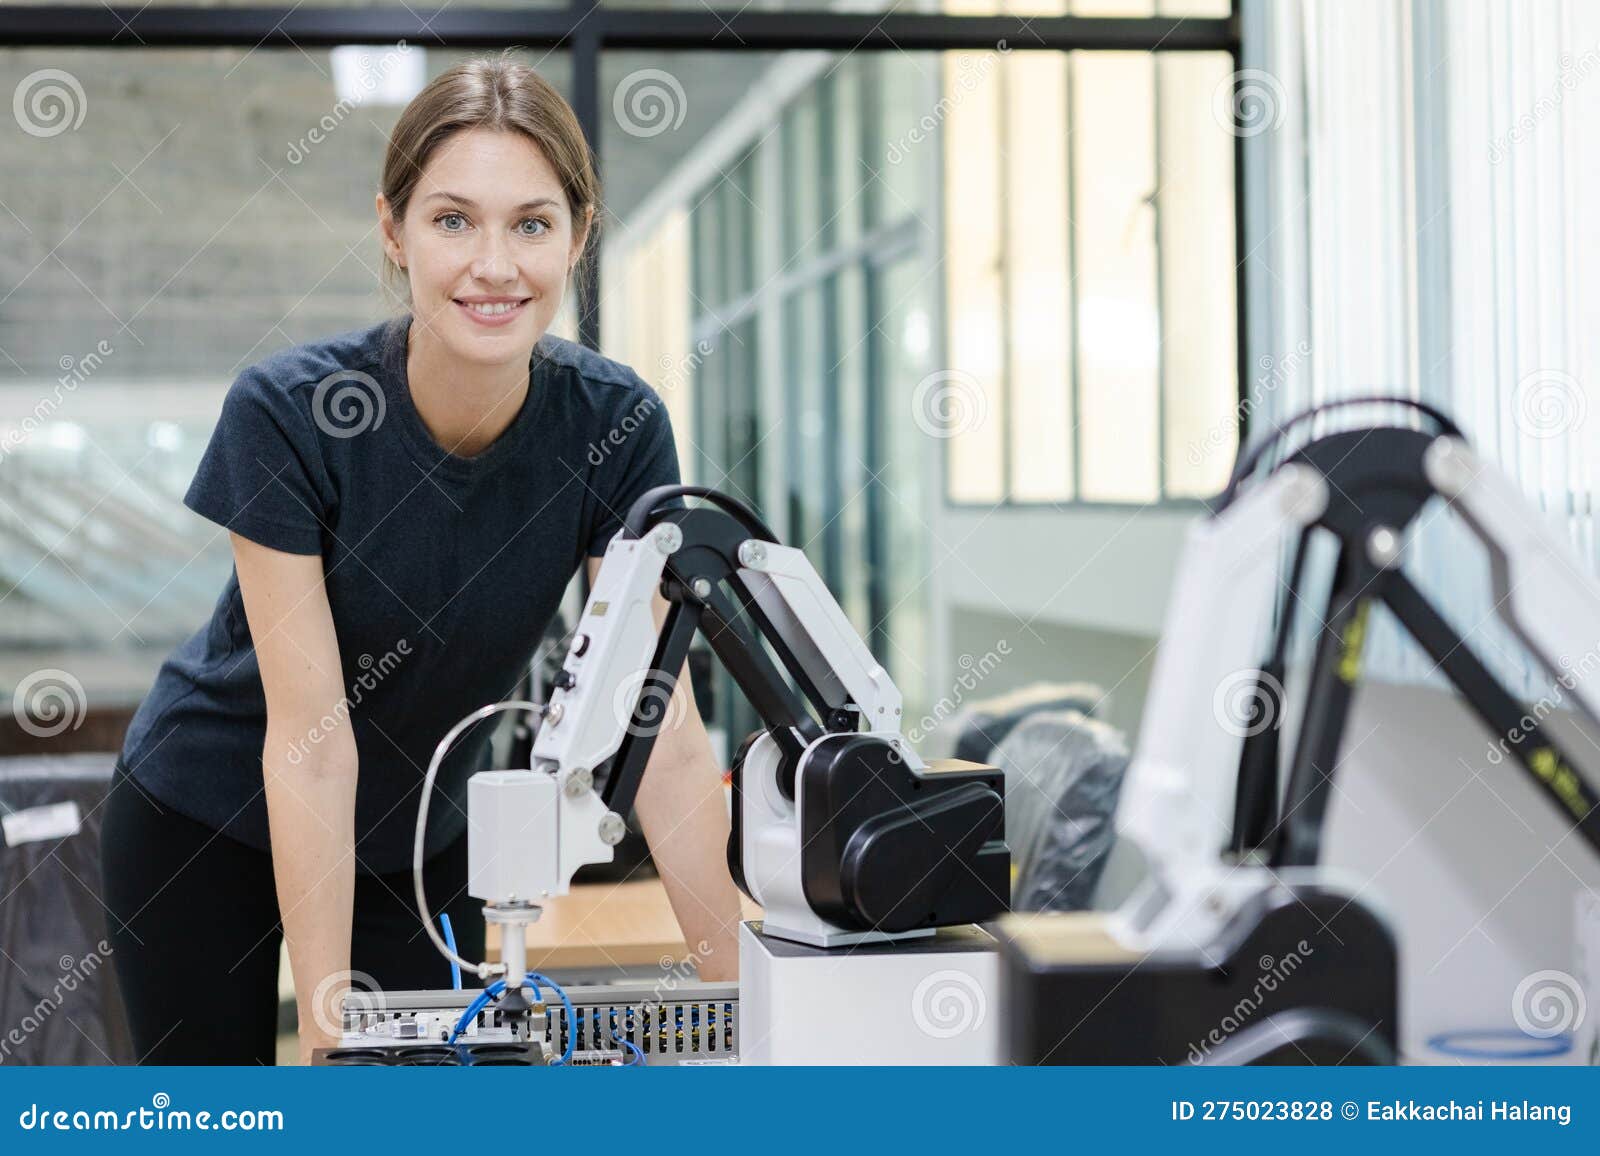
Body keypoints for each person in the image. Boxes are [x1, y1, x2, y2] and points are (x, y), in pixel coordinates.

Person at [99, 54, 741, 1066]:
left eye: (531, 223)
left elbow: (657, 725)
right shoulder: (289, 413)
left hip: (415, 839)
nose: (495, 264)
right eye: (453, 220)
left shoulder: (613, 425)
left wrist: (739, 991)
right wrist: (327, 1017)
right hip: (204, 815)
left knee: (421, 1114)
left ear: (578, 237)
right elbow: (312, 740)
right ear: (393, 232)